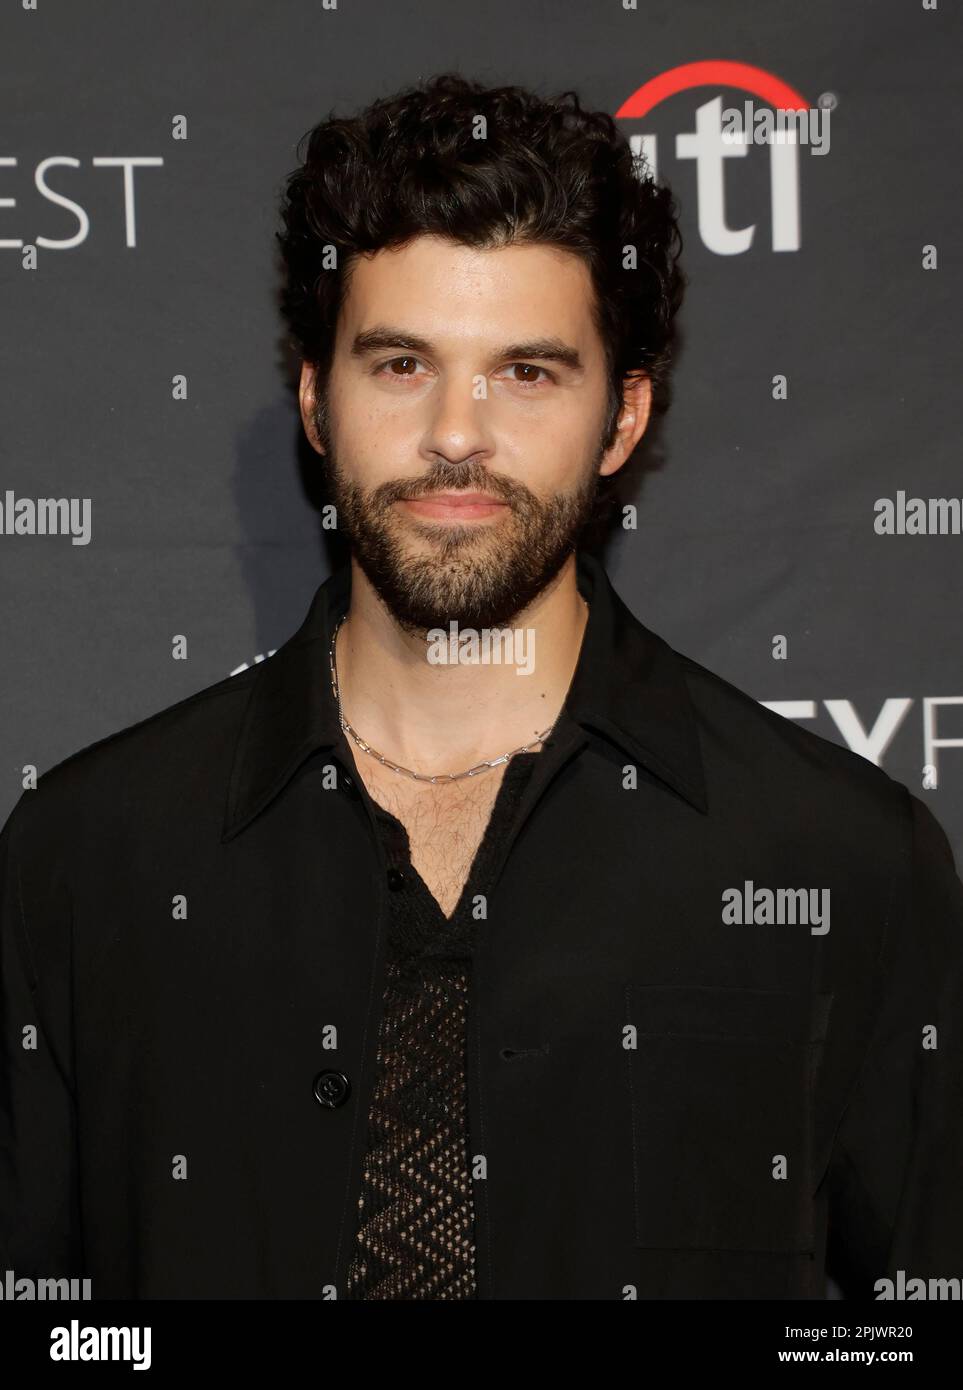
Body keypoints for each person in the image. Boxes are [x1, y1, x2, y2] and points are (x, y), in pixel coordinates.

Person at [2, 73, 962, 1301]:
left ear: (623, 419)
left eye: (527, 373)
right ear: (315, 399)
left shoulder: (841, 861)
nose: (457, 433)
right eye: (402, 363)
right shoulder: (91, 859)